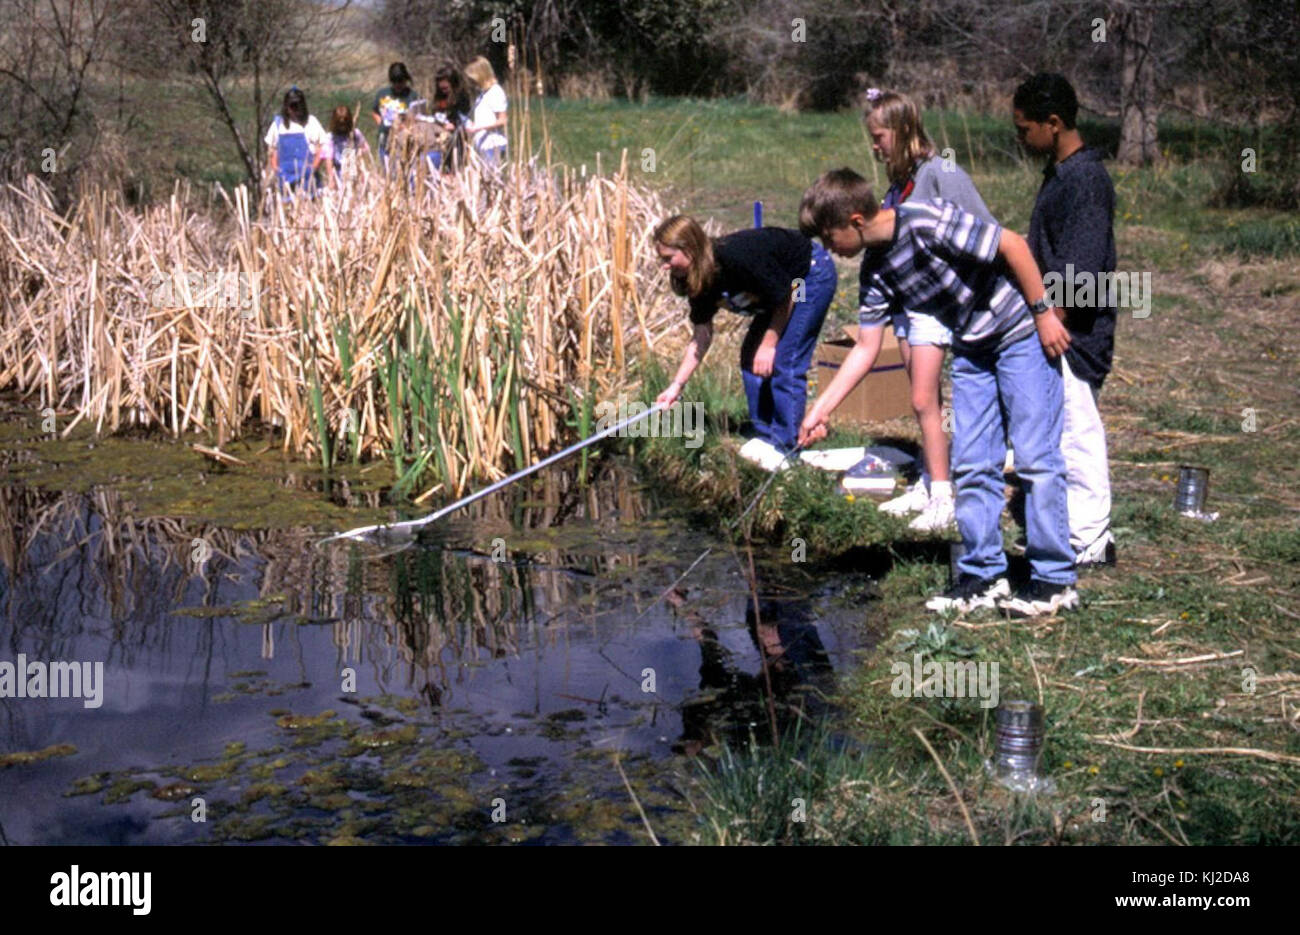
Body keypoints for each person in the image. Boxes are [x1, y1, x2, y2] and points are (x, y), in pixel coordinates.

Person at [797, 168, 1077, 618]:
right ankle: (984, 574)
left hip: (1018, 332)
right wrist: (820, 410)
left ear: (854, 220)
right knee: (971, 460)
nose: (828, 249)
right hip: (971, 346)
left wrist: (1044, 312)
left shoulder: (925, 220)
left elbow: (1012, 244)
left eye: (829, 238)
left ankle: (1054, 581)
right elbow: (867, 348)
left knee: (1034, 456)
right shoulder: (874, 273)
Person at [863, 88, 997, 533]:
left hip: (939, 302)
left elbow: (984, 230)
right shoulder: (898, 182)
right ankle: (929, 477)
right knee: (922, 400)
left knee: (924, 398)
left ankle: (944, 494)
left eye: (879, 136)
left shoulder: (941, 172)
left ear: (902, 131)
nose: (875, 146)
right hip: (907, 301)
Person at [1014, 73, 1118, 571]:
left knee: (1079, 434)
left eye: (1025, 128)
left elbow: (1082, 267)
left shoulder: (1087, 181)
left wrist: (1051, 321)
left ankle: (1093, 538)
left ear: (1053, 124)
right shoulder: (1059, 175)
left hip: (1075, 331)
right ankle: (1068, 528)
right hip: (1052, 323)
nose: (1021, 138)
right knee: (1059, 431)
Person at [653, 215, 837, 469]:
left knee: (786, 359)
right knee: (751, 356)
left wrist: (770, 344)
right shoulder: (699, 280)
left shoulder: (736, 258)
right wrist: (676, 386)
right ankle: (766, 437)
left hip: (804, 278)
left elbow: (787, 296)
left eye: (668, 258)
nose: (664, 266)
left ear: (689, 250)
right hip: (780, 295)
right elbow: (701, 337)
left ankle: (788, 448)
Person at [264, 87, 327, 197]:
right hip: (285, 180)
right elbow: (272, 149)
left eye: (297, 106)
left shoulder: (311, 122)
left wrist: (314, 167)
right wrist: (276, 168)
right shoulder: (278, 125)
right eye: (292, 106)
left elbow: (322, 147)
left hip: (308, 180)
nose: (294, 110)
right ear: (286, 106)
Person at [463, 56, 508, 167]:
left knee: (492, 179)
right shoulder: (483, 94)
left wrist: (479, 127)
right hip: (483, 145)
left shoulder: (496, 92)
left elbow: (503, 120)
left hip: (493, 145)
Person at [371, 62, 415, 168]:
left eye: (401, 81)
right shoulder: (382, 94)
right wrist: (380, 122)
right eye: (394, 82)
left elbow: (418, 116)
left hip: (405, 141)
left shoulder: (412, 96)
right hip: (385, 139)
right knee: (388, 171)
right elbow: (374, 111)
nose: (398, 85)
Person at [429, 64, 470, 172]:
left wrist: (454, 125)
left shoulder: (461, 97)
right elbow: (435, 113)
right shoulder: (439, 97)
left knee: (455, 169)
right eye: (440, 85)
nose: (442, 88)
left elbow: (465, 117)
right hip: (439, 138)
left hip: (456, 140)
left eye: (445, 86)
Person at [321, 105, 370, 187]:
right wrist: (331, 179)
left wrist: (362, 170)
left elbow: (365, 149)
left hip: (355, 171)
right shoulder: (331, 137)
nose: (342, 127)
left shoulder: (355, 134)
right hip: (339, 173)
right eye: (340, 124)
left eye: (344, 124)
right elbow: (328, 159)